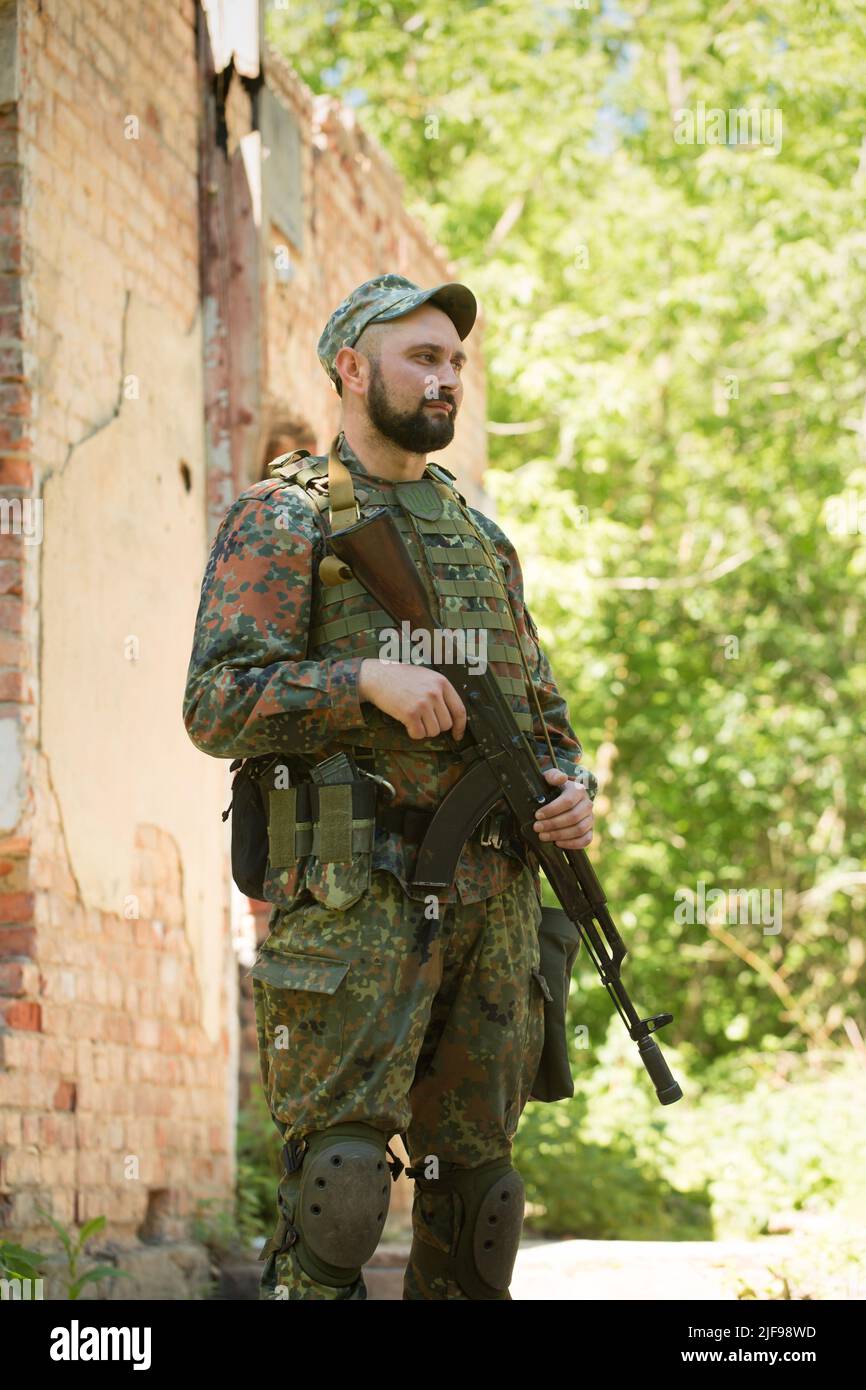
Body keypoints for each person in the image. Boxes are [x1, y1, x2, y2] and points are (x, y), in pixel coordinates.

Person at [182, 273, 596, 1300]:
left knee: (481, 1200)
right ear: (351, 368)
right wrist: (361, 678)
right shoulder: (284, 519)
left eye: (455, 361)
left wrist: (569, 786)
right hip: (351, 892)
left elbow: (543, 721)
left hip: (493, 901)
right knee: (344, 1186)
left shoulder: (481, 538)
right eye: (422, 357)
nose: (445, 378)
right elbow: (214, 702)